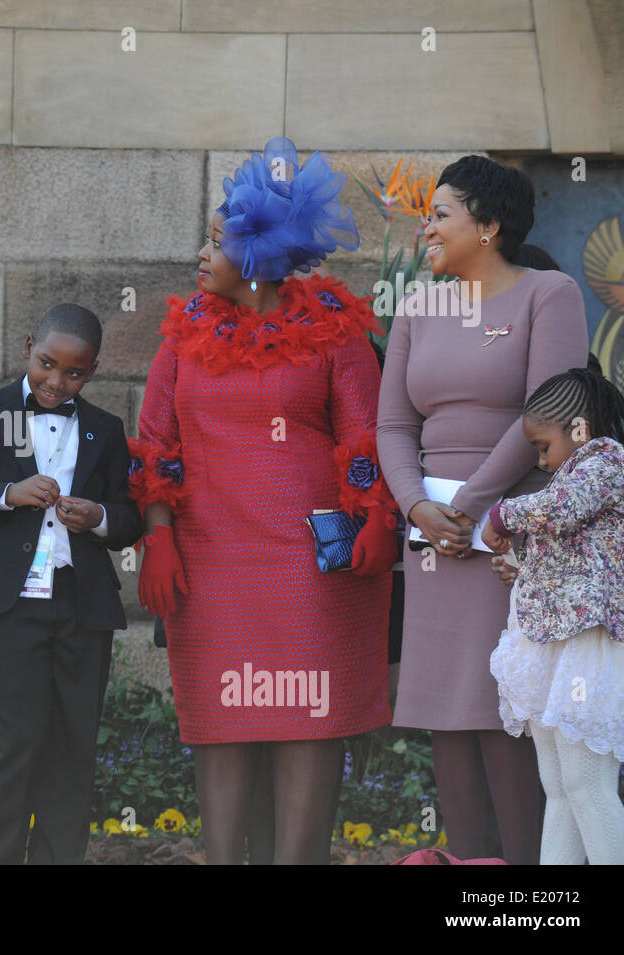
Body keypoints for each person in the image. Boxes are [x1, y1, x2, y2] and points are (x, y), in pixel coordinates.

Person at [132, 137, 397, 865]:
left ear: (256, 252)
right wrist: (156, 534)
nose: (199, 253)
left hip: (309, 571)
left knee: (308, 721)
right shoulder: (181, 337)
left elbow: (366, 438)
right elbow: (156, 447)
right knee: (221, 725)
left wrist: (375, 516)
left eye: (215, 241)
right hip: (211, 568)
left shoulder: (338, 333)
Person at [376, 155, 590, 863]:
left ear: (490, 224)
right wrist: (417, 505)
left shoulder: (548, 293)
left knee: (507, 716)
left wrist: (470, 509)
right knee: (448, 719)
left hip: (510, 538)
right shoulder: (417, 305)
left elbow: (547, 415)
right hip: (432, 539)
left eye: (441, 213)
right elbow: (393, 427)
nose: (426, 228)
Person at [0, 304, 143, 865]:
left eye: (74, 373)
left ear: (91, 373)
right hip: (7, 606)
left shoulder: (106, 429)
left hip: (82, 606)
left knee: (73, 748)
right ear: (27, 349)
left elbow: (131, 517)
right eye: (47, 364)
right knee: (13, 745)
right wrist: (4, 495)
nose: (56, 381)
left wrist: (101, 519)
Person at [484, 368, 624, 864]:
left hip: (590, 643)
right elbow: (573, 554)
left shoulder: (606, 461)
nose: (542, 461)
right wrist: (522, 568)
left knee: (587, 784)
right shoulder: (571, 476)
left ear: (580, 429)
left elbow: (567, 508)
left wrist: (503, 514)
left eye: (543, 447)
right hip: (552, 641)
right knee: (560, 786)